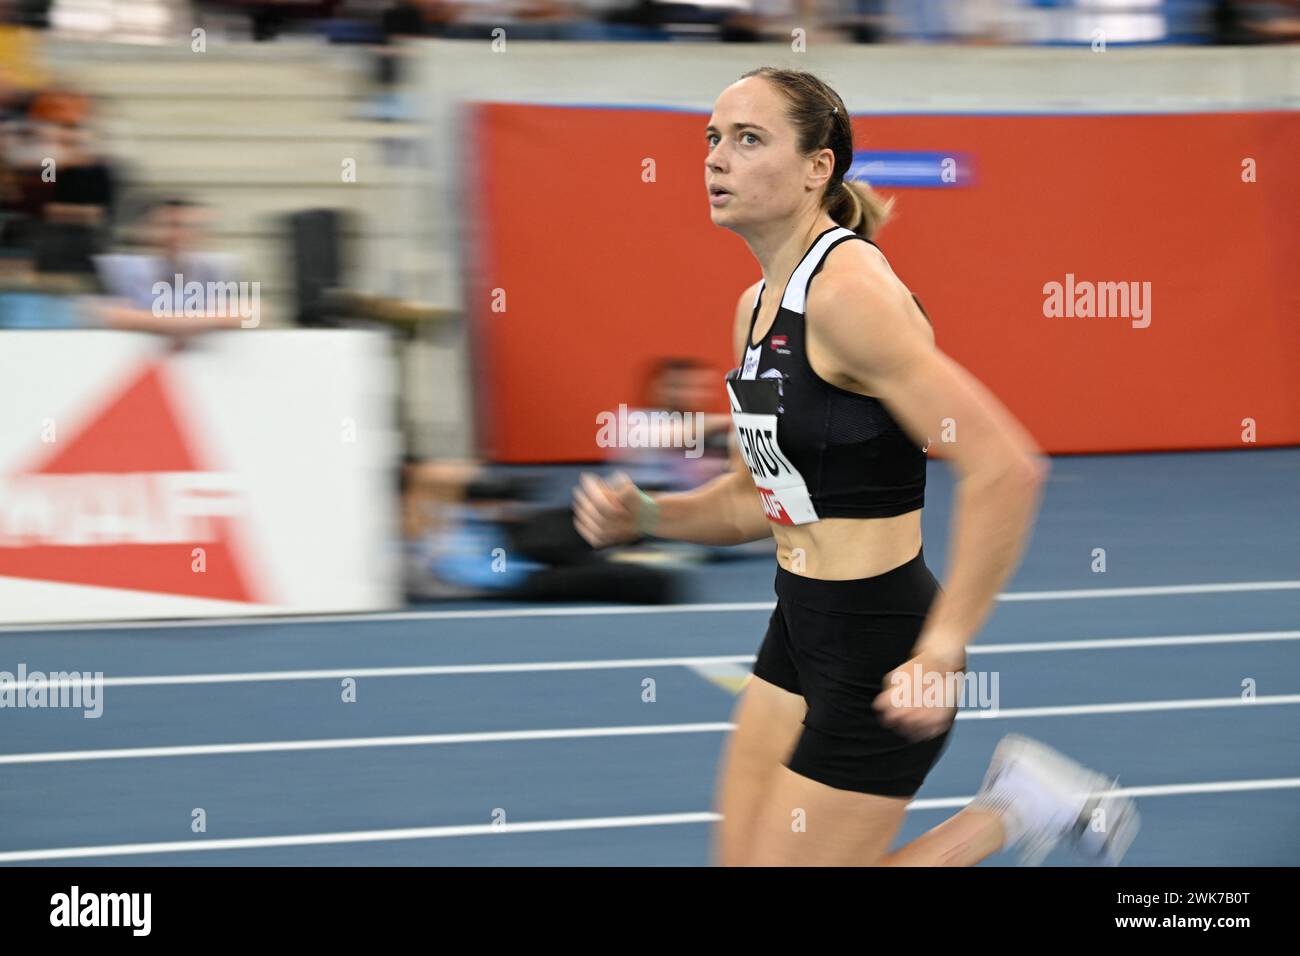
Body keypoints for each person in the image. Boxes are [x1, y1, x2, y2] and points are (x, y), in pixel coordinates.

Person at [572, 67, 1139, 867]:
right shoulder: (754, 306)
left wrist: (941, 651)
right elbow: (752, 501)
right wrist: (649, 517)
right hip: (798, 627)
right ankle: (1022, 800)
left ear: (818, 167)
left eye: (748, 138)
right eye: (711, 138)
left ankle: (1014, 809)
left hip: (883, 644)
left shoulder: (850, 296)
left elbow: (1006, 468)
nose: (715, 159)